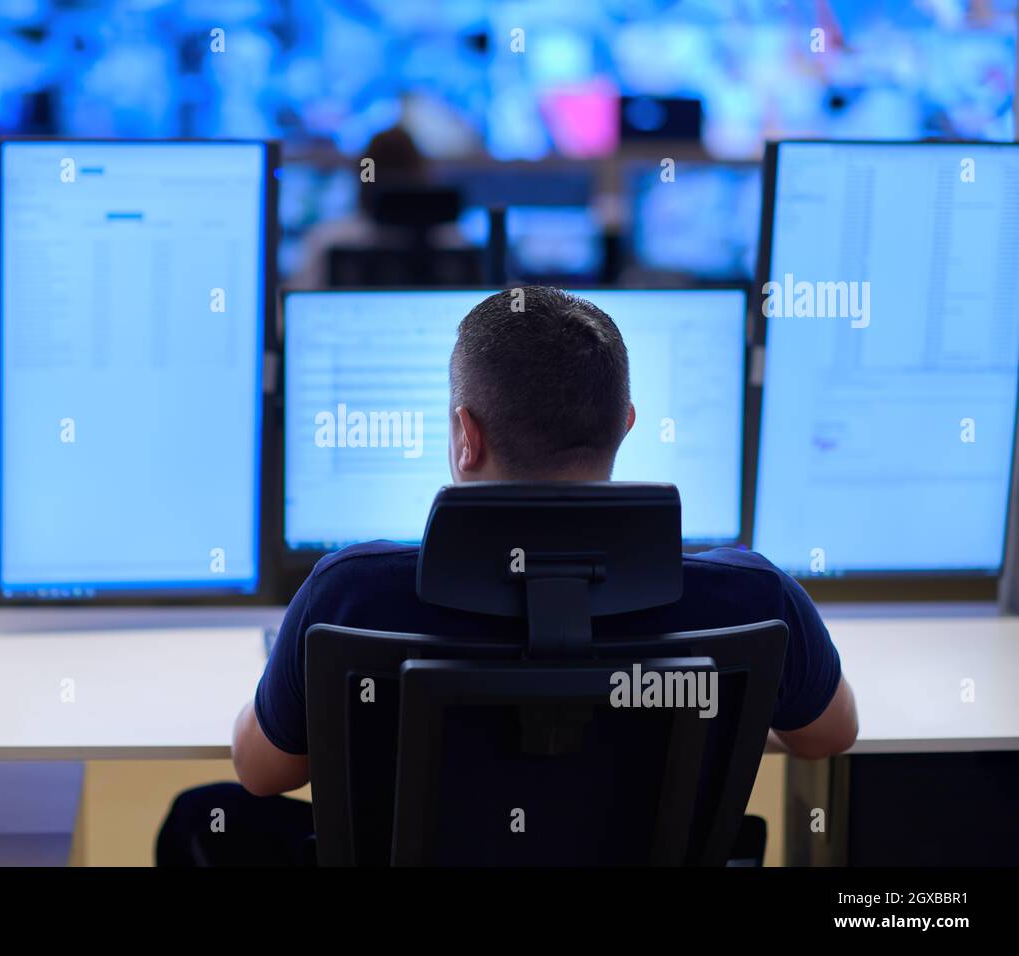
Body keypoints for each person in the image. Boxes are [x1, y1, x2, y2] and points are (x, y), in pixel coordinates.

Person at [157, 287, 858, 866]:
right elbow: (828, 735)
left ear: (466, 435)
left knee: (203, 819)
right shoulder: (749, 598)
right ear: (627, 423)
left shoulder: (352, 594)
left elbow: (262, 771)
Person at [288, 123, 467, 288]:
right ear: (423, 177)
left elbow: (292, 306)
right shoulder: (454, 242)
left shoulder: (329, 241)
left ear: (361, 178)